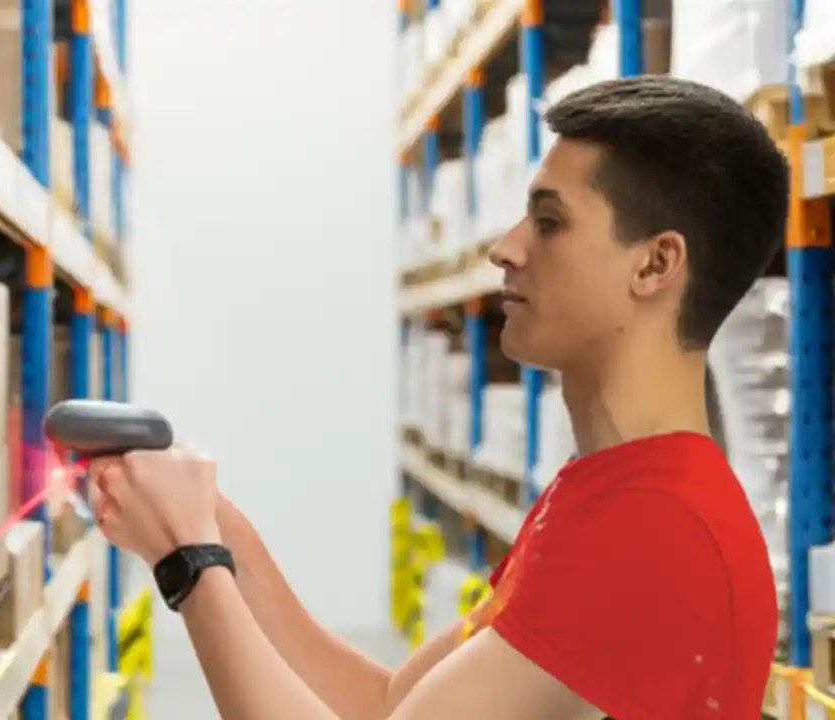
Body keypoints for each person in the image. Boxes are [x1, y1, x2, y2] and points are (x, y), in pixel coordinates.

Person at [88, 75, 786, 719]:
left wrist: (188, 564)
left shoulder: (657, 530)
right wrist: (212, 524)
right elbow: (391, 702)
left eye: (549, 222)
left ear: (655, 264)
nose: (505, 248)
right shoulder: (609, 491)